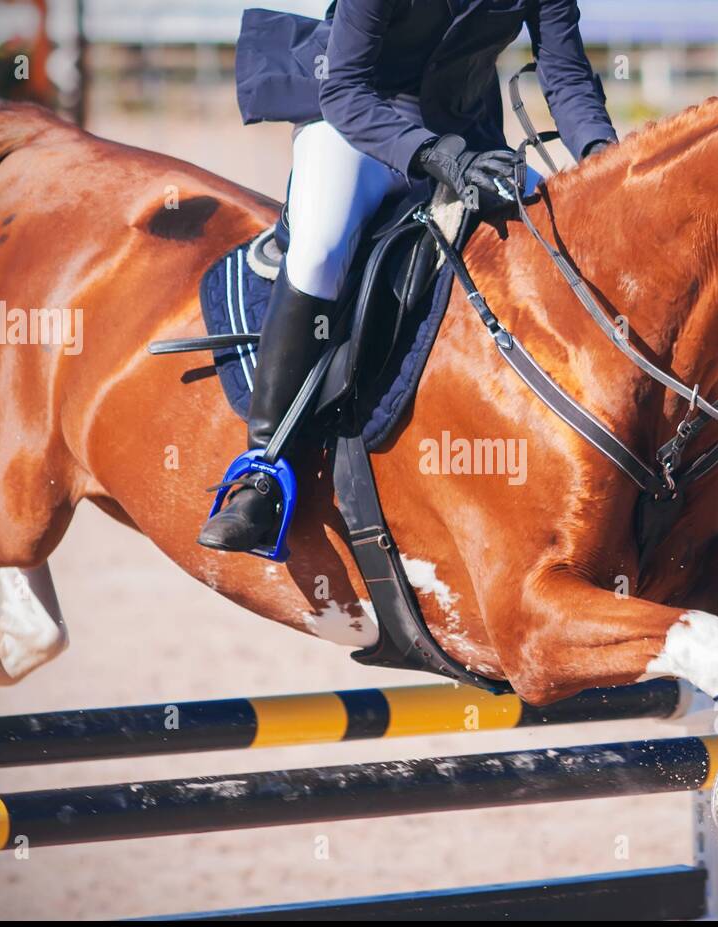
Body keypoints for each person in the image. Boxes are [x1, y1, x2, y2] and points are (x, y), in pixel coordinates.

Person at [200, 0, 617, 552]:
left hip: (465, 131)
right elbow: (345, 88)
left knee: (554, 224)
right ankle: (262, 469)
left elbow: (564, 77)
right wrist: (434, 156)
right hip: (356, 122)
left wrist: (608, 165)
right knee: (321, 249)